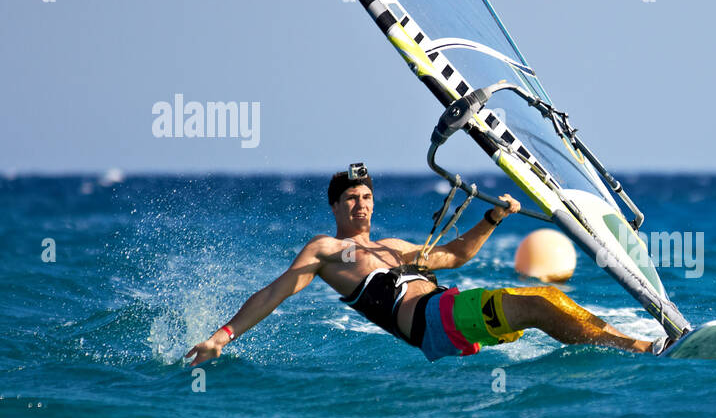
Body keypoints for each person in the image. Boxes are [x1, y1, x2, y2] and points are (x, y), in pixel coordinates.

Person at [184, 165, 657, 366]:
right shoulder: (326, 250)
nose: (361, 206)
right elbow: (275, 292)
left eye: (367, 198)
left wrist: (491, 218)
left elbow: (453, 256)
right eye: (351, 199)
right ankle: (640, 349)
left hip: (449, 319)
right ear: (334, 206)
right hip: (433, 323)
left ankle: (628, 345)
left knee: (546, 301)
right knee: (536, 303)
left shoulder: (390, 246)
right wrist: (222, 336)